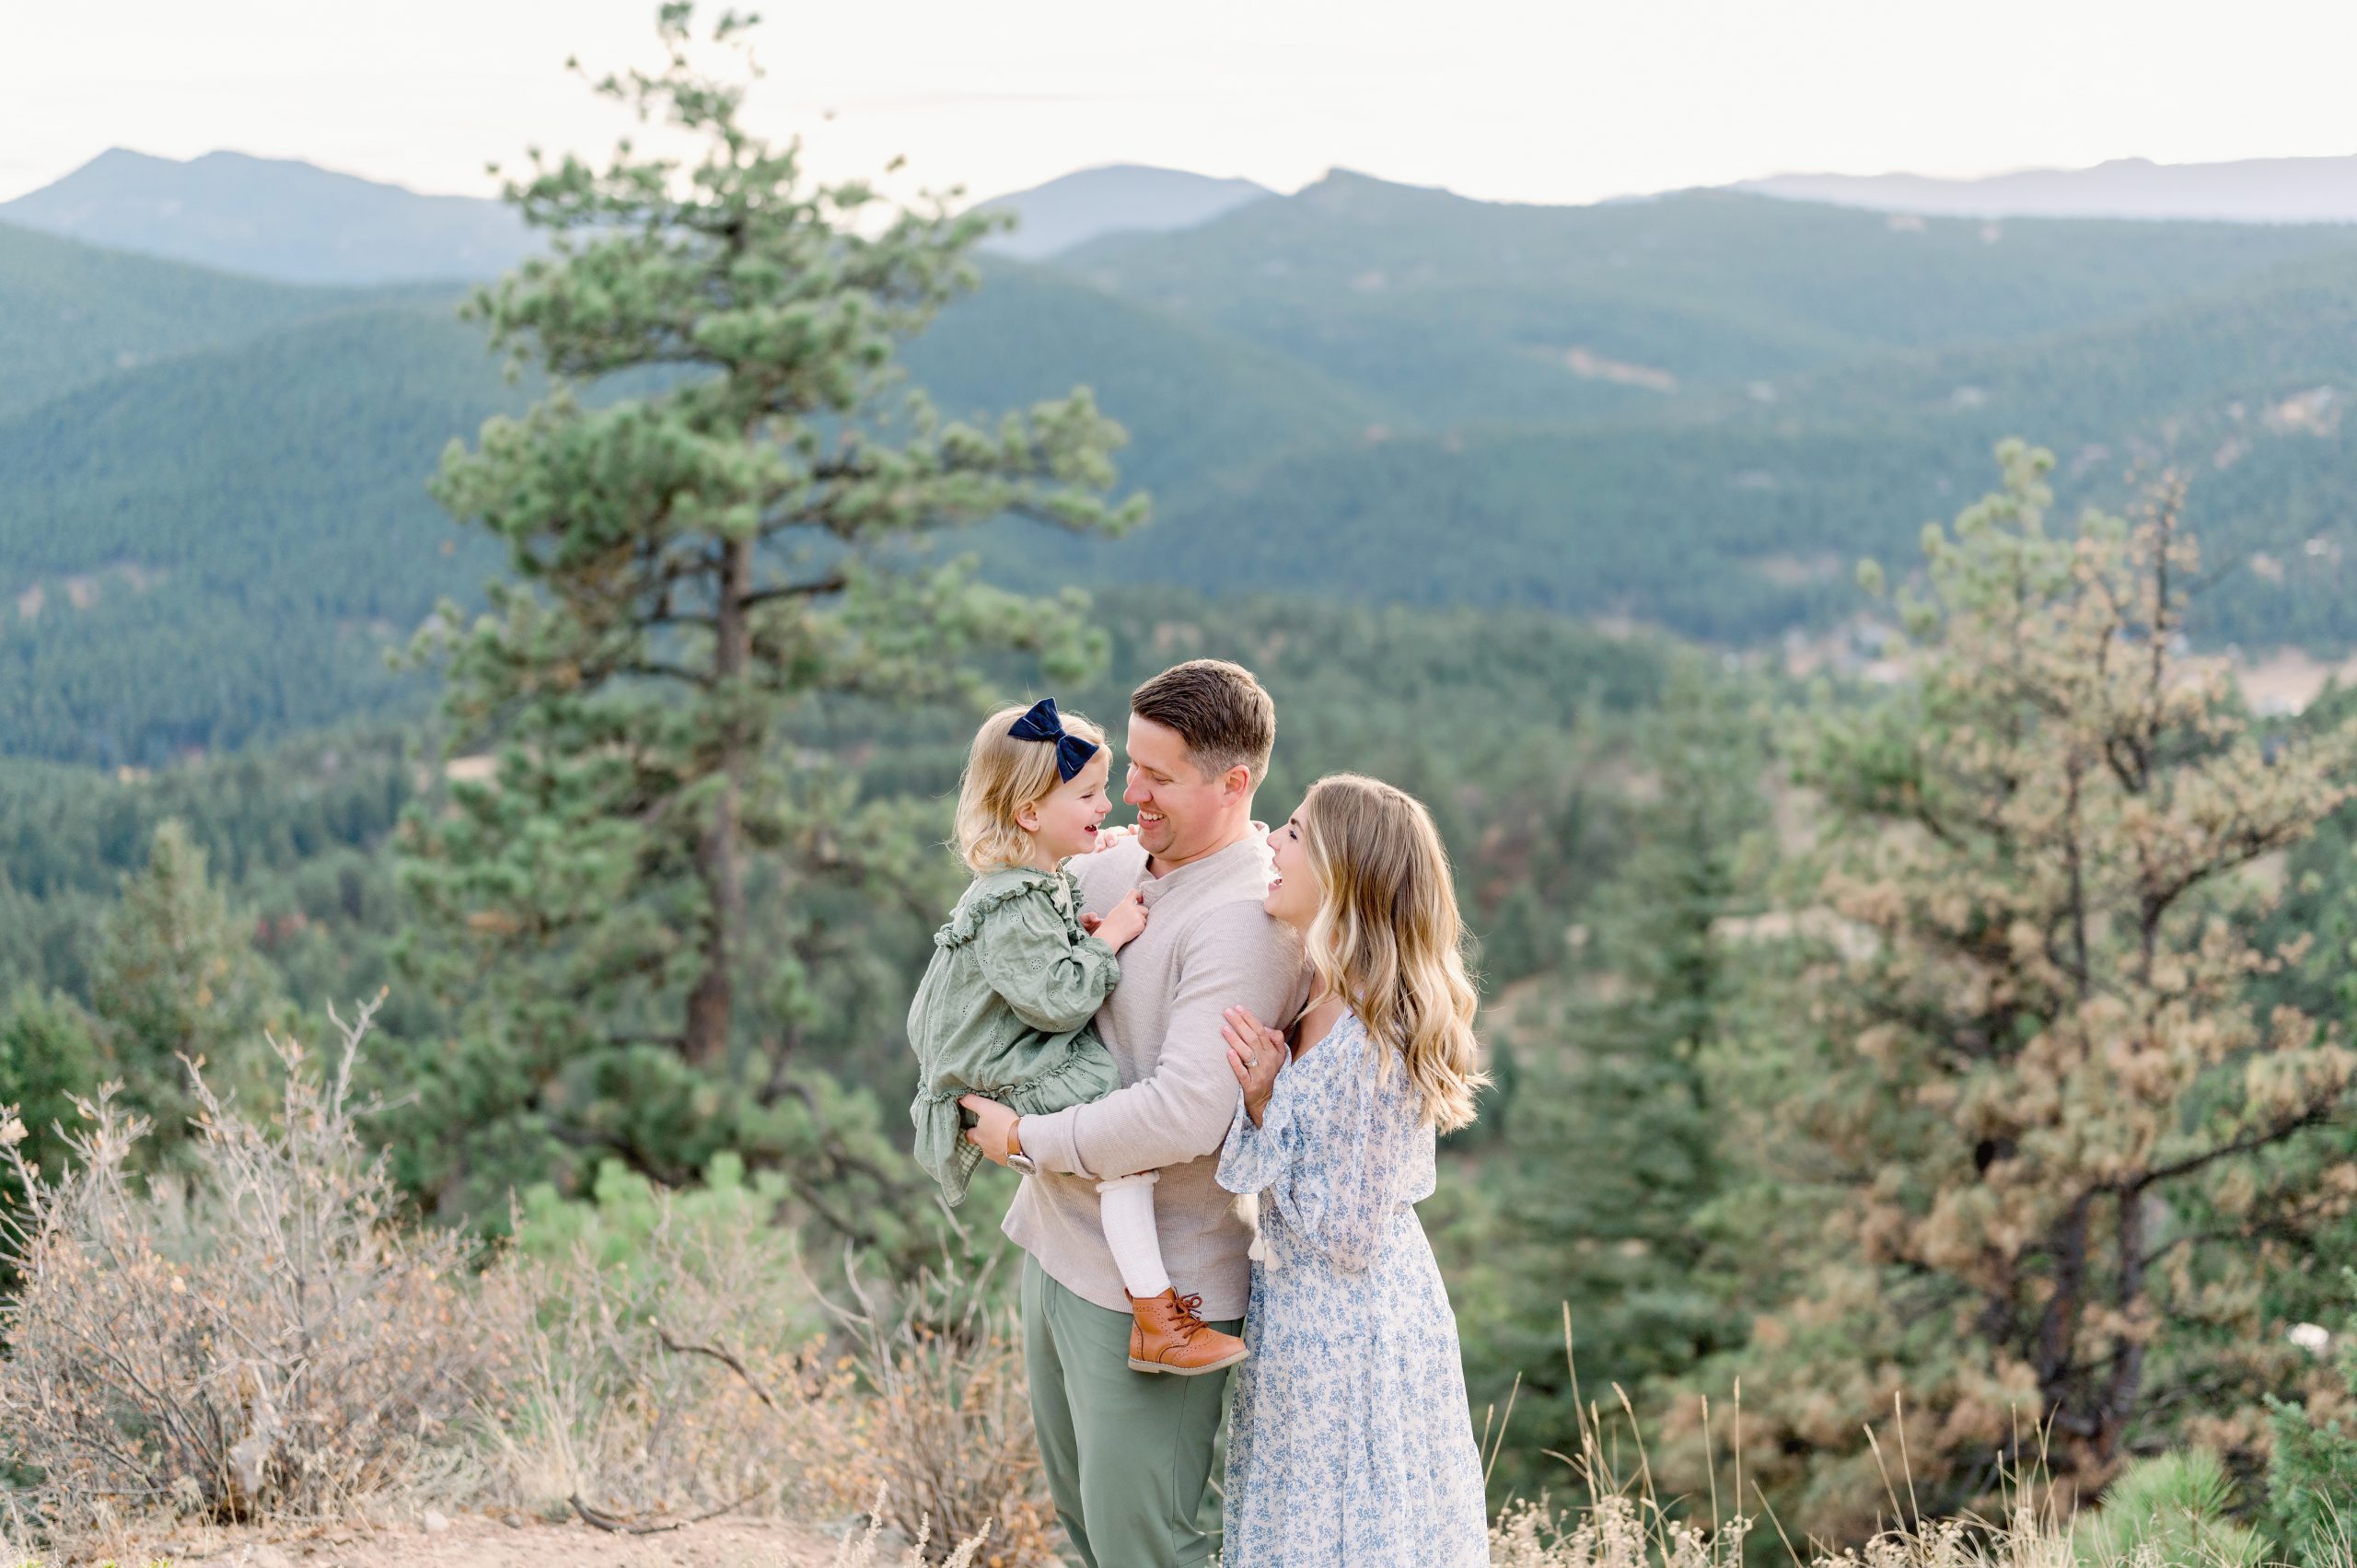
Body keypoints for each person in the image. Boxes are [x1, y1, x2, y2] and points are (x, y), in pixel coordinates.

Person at [962, 659, 1304, 1568]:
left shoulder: (1247, 922)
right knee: (1084, 1529)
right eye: (1131, 766)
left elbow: (1184, 1113)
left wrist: (1025, 1139)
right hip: (1056, 1245)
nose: (1129, 792)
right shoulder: (1109, 859)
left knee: (1145, 1546)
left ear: (1233, 783)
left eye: (1158, 775)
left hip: (1161, 1290)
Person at [905, 696, 1248, 1374]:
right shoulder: (1013, 902)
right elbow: (1058, 1001)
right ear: (1030, 814)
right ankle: (1157, 1314)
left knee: (1114, 1128)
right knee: (1116, 1128)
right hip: (997, 1065)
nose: (1111, 804)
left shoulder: (1037, 879)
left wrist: (1095, 861)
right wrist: (1108, 937)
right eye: (1088, 795)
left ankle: (1153, 1313)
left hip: (996, 1054)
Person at [1214, 772, 1492, 1566]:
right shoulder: (1317, 989)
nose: (1272, 841)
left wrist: (1265, 1100)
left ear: (1343, 873)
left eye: (1294, 833)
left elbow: (1346, 1233)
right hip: (1300, 1317)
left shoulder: (1377, 1033)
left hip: (1355, 1330)